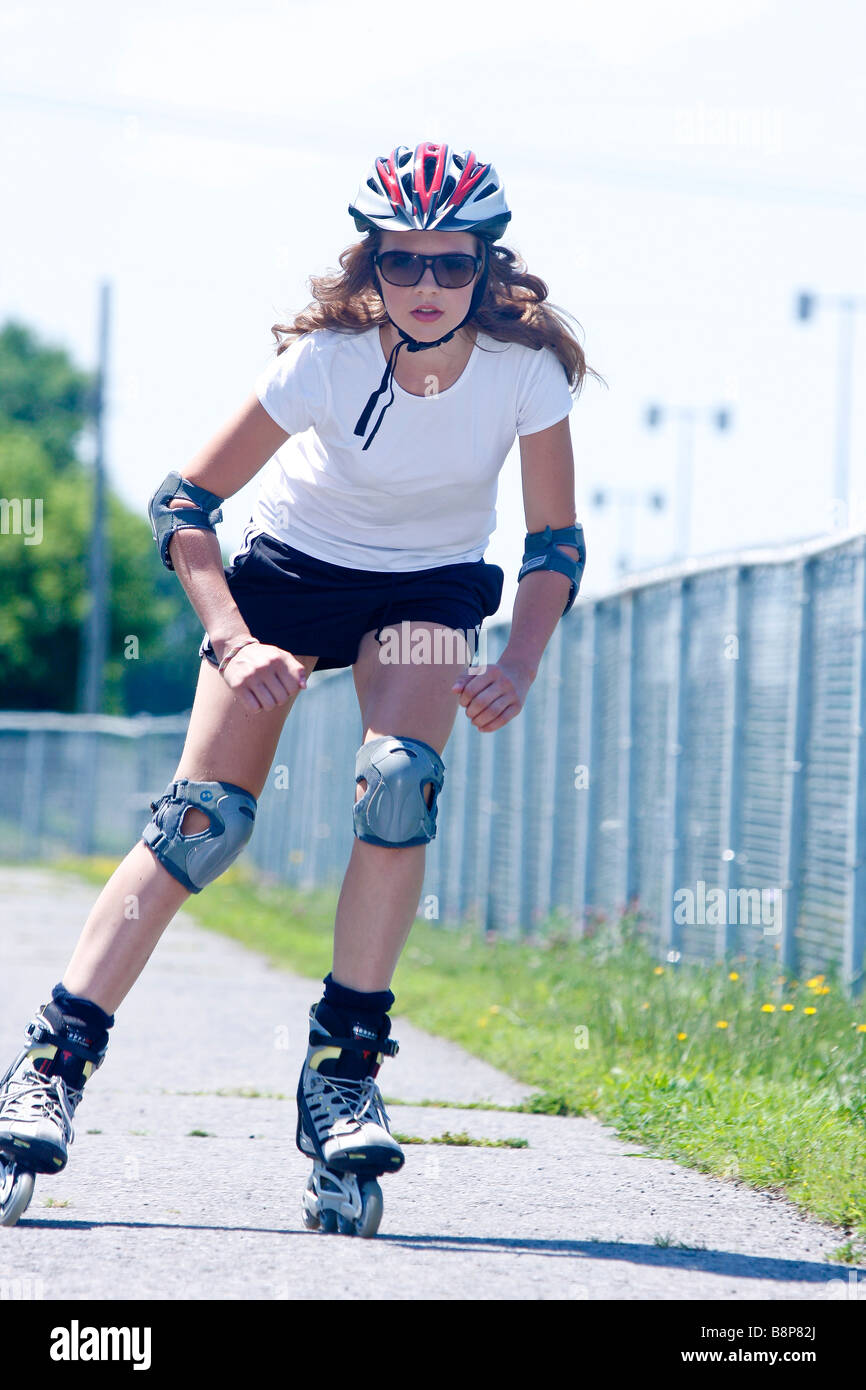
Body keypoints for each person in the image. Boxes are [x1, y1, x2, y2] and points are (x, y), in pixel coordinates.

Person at [0, 141, 597, 1236]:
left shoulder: (524, 372)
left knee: (397, 783)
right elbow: (184, 504)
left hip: (424, 593)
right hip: (287, 580)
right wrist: (231, 641)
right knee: (199, 825)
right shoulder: (321, 361)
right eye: (403, 262)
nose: (426, 287)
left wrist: (517, 662)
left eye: (451, 265)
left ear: (485, 267)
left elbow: (554, 541)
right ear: (370, 266)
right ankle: (49, 1063)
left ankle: (341, 1072)